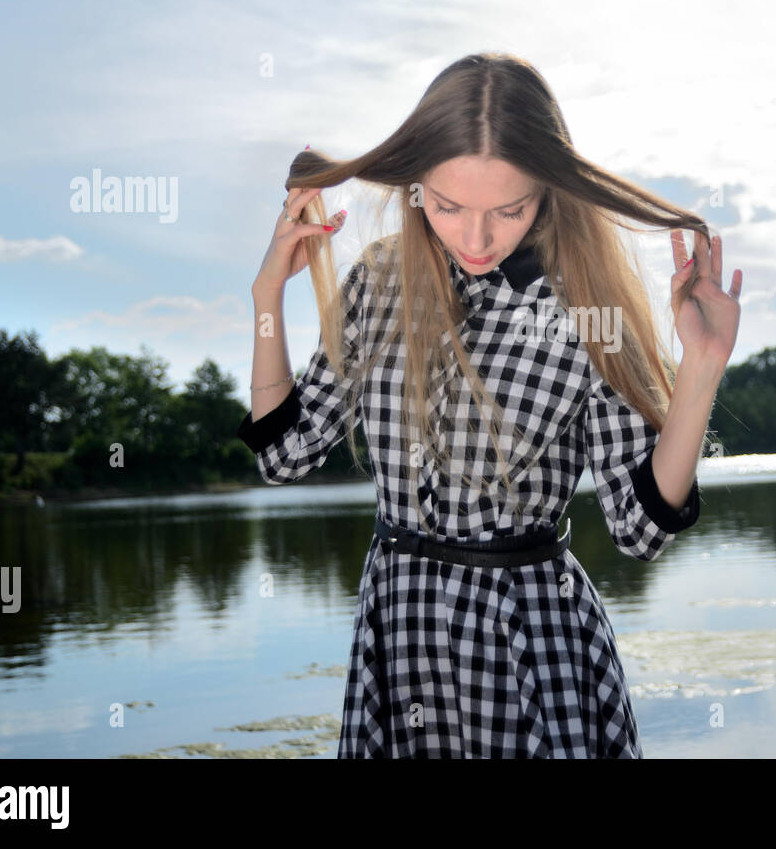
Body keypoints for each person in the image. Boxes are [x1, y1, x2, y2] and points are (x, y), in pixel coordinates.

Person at [236, 52, 743, 758]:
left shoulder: (587, 307)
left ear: (548, 191)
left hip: (529, 649)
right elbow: (283, 454)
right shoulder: (378, 283)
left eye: (508, 210)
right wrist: (268, 299)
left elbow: (638, 529)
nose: (475, 239)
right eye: (448, 207)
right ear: (416, 190)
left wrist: (702, 366)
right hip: (399, 639)